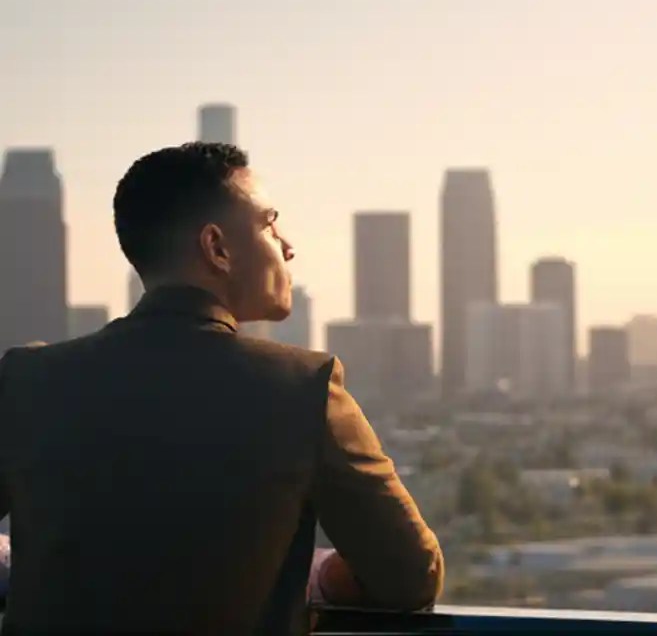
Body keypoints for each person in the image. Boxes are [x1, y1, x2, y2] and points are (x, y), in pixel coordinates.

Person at [0, 142, 443, 635]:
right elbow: (410, 576)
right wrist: (319, 576)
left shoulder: (28, 380)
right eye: (270, 224)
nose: (288, 245)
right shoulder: (304, 389)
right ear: (217, 248)